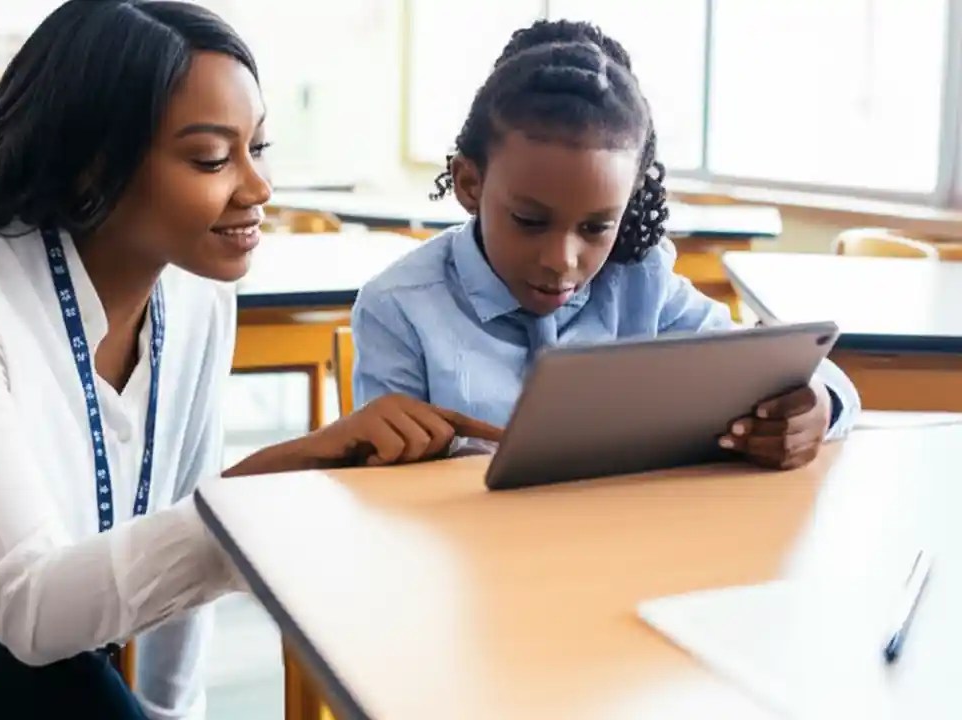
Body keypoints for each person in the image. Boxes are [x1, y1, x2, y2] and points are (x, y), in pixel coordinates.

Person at [0, 2, 501, 718]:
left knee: (74, 686)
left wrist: (170, 712)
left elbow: (183, 523)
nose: (259, 187)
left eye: (258, 147)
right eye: (213, 159)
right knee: (58, 685)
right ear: (93, 164)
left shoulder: (196, 294)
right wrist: (268, 489)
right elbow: (31, 608)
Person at [351, 20, 860, 471]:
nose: (562, 260)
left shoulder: (642, 283)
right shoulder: (399, 309)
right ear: (468, 183)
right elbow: (383, 490)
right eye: (530, 220)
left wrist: (817, 404)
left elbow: (799, 367)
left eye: (596, 228)